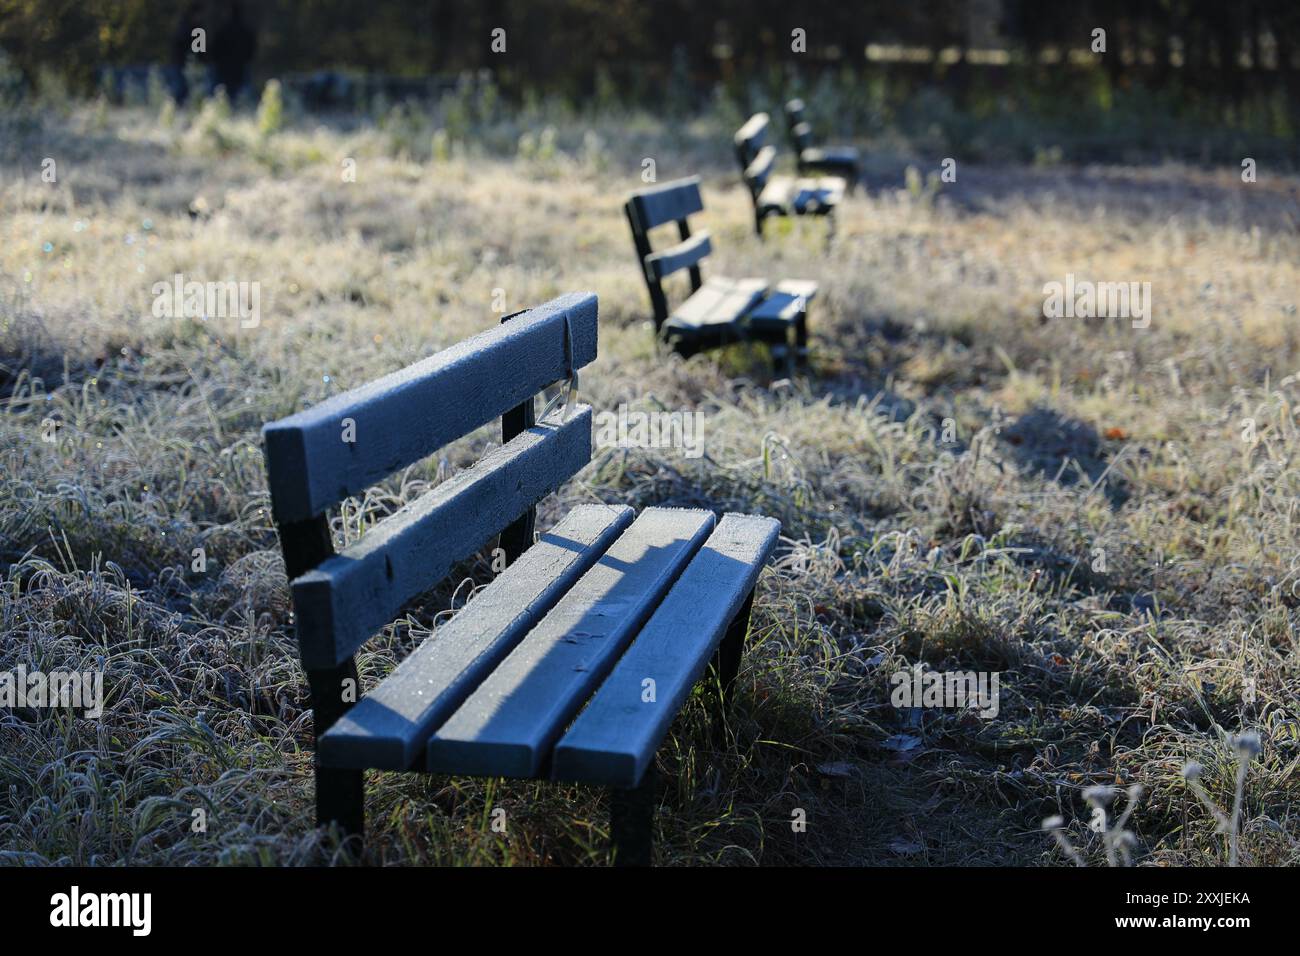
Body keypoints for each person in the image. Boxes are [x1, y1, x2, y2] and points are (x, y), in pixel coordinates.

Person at [210, 0, 256, 103]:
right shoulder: (246, 31)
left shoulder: (223, 30)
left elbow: (215, 49)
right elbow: (251, 50)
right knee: (240, 96)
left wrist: (216, 61)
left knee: (223, 95)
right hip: (240, 68)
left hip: (224, 69)